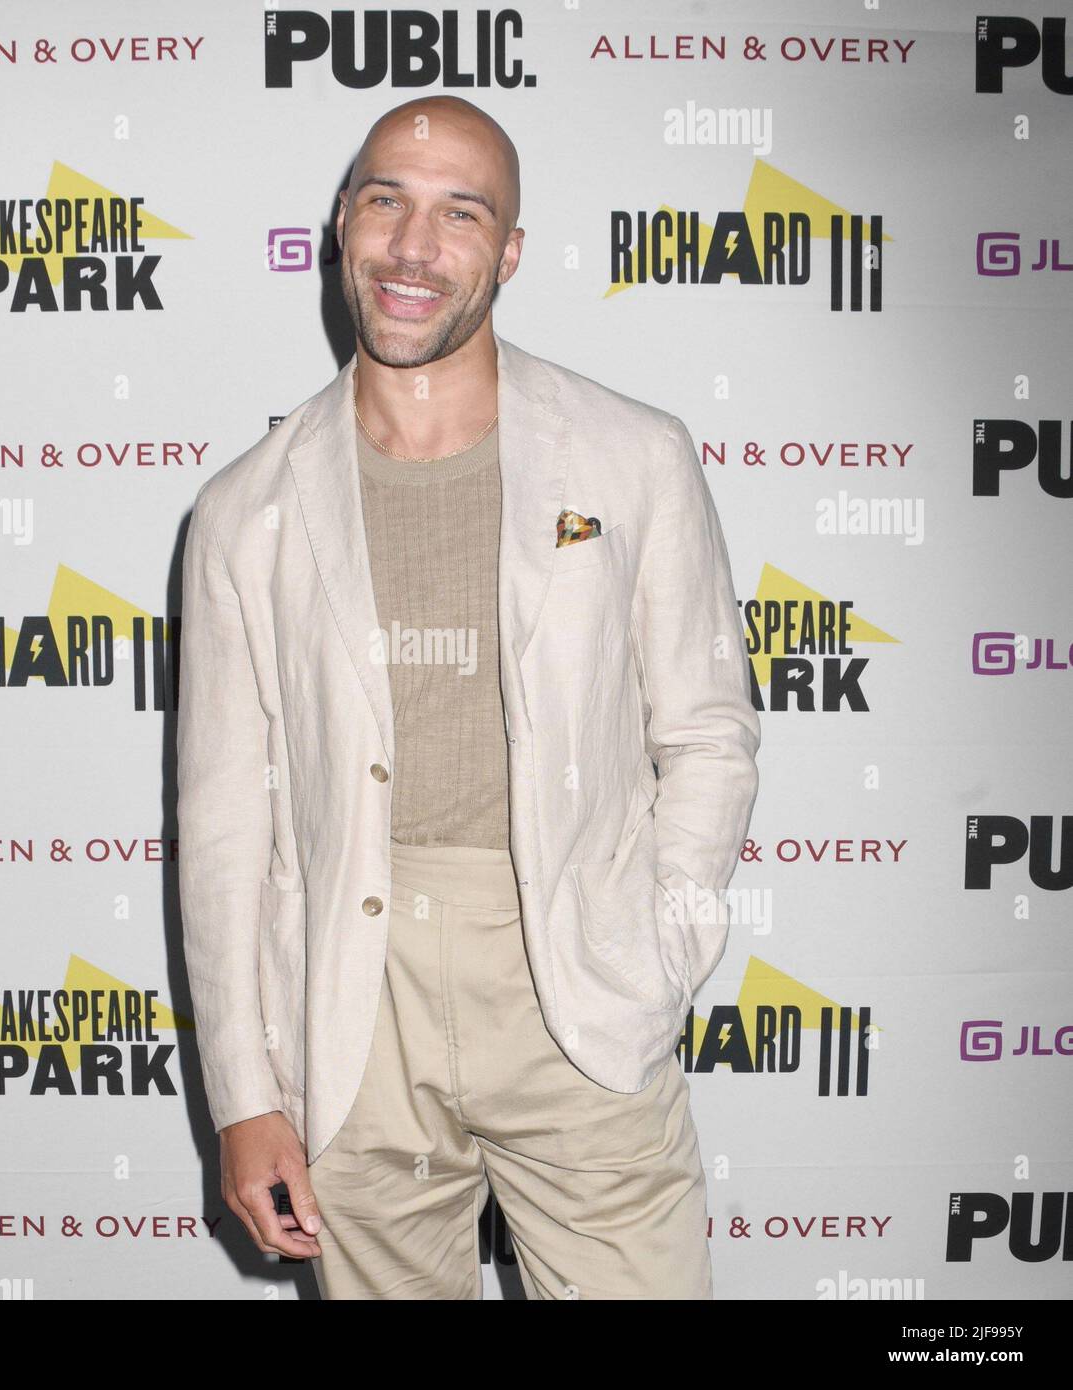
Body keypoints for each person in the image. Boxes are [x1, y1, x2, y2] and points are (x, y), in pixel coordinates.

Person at [176, 94, 760, 1299]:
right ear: (342, 224)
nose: (410, 246)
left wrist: (666, 943)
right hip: (349, 1003)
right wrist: (244, 1092)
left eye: (459, 214)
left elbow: (706, 733)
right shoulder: (244, 509)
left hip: (575, 976)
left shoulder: (632, 455)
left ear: (506, 255)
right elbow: (226, 822)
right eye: (386, 200)